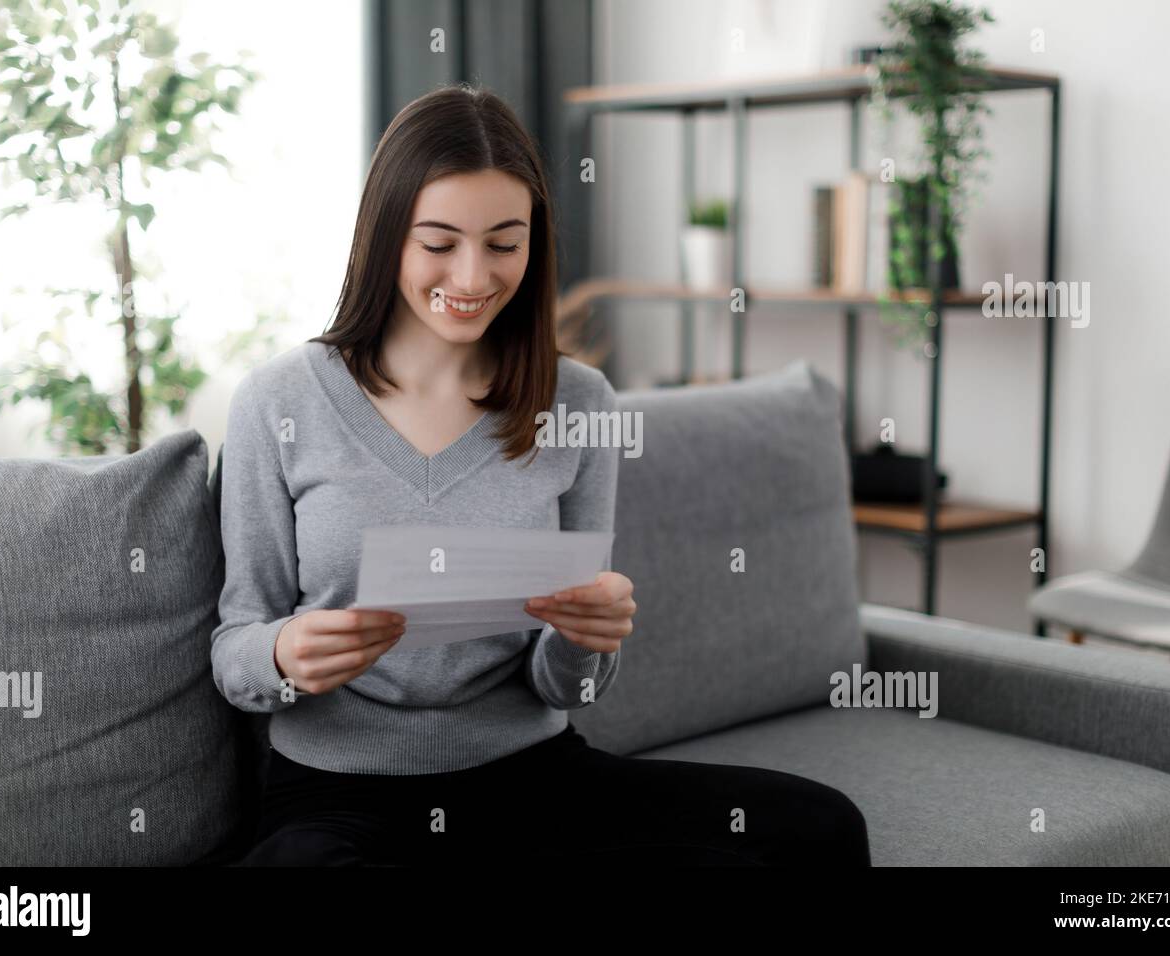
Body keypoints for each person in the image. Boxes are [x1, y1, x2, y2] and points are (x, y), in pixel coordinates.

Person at [211, 81, 871, 867]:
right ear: (386, 236)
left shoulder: (580, 401)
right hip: (340, 793)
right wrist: (283, 655)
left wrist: (584, 637)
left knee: (820, 825)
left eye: (503, 242)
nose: (472, 275)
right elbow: (234, 647)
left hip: (531, 777)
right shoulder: (279, 400)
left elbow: (570, 689)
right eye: (438, 241)